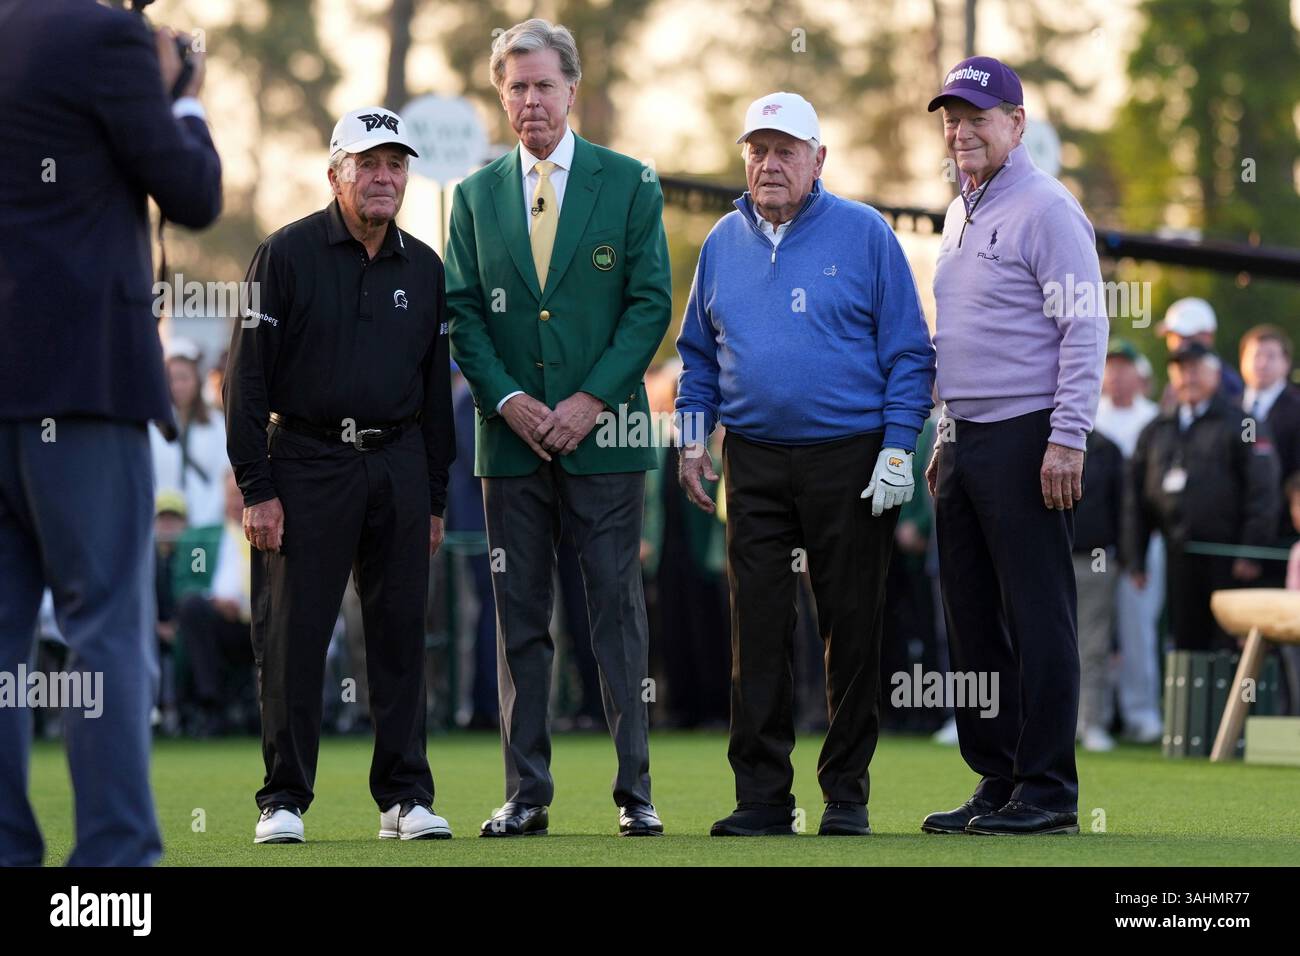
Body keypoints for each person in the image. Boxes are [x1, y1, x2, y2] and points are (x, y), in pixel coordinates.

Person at [676, 92, 935, 837]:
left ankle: (845, 796)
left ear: (819, 159)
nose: (769, 163)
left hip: (849, 458)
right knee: (754, 629)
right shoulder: (722, 241)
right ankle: (762, 798)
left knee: (851, 628)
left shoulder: (866, 234)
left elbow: (910, 354)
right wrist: (694, 440)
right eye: (757, 149)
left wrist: (896, 447)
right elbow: (696, 357)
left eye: (786, 149)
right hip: (752, 458)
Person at [0, 0, 220, 866]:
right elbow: (194, 193)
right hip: (81, 384)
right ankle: (115, 862)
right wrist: (183, 96)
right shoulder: (107, 37)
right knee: (105, 633)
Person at [446, 18, 672, 838]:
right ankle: (525, 794)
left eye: (544, 85)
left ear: (572, 89)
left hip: (605, 440)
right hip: (509, 445)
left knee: (616, 617)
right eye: (517, 87)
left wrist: (591, 402)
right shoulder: (472, 197)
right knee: (520, 623)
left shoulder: (630, 182)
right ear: (501, 96)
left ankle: (635, 792)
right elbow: (465, 316)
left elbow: (650, 303)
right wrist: (507, 400)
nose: (531, 101)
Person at [224, 106, 455, 844]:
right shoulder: (284, 254)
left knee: (397, 637)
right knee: (293, 635)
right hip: (305, 461)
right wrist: (257, 487)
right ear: (336, 174)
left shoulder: (425, 266)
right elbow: (245, 382)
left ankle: (404, 797)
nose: (384, 178)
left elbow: (435, 396)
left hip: (398, 461)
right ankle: (284, 798)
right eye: (368, 164)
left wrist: (436, 496)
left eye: (396, 165)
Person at [920, 57, 1106, 837]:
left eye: (977, 117)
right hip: (966, 439)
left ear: (1016, 124)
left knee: (1038, 615)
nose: (961, 130)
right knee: (972, 621)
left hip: (1030, 435)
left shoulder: (1047, 207)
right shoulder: (962, 207)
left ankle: (1049, 789)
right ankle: (997, 779)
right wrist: (942, 431)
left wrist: (1068, 437)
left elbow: (1085, 324)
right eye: (951, 119)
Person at [1128, 343, 1280, 651]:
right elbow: (1136, 497)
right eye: (1181, 370)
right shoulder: (1158, 429)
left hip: (1228, 558)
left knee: (1228, 646)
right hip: (1177, 555)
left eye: (1196, 368)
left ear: (1215, 373)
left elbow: (1263, 490)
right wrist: (1136, 558)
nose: (1188, 377)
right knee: (1185, 645)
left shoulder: (1242, 422)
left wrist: (1251, 550)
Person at [1095, 339, 1163, 742]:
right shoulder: (1087, 416)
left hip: (1144, 542)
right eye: (1111, 366)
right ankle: (1095, 716)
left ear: (1141, 375)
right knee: (1093, 631)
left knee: (1139, 629)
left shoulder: (1154, 420)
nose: (1116, 374)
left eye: (1124, 366)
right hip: (1096, 544)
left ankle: (1141, 713)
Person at [1071, 429, 1125, 752]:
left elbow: (1123, 506)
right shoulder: (1034, 436)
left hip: (1096, 558)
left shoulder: (1107, 448)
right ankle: (1049, 726)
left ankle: (1091, 721)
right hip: (1048, 555)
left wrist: (1130, 557)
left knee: (1093, 644)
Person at [150, 339, 228, 527]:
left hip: (205, 525)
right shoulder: (152, 427)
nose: (177, 386)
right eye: (171, 379)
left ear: (197, 380)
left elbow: (223, 476)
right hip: (162, 527)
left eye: (184, 378)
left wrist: (206, 518)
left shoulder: (216, 425)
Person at [1157, 298, 1244, 403]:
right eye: (1172, 336)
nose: (1177, 344)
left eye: (1185, 337)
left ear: (1207, 336)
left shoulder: (1228, 384)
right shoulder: (1172, 386)